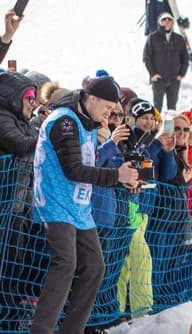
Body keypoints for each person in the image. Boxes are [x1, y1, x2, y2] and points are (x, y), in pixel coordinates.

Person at [31, 76, 141, 334]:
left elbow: (91, 166)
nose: (109, 113)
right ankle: (41, 330)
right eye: (107, 106)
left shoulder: (88, 123)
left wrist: (122, 181)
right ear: (91, 98)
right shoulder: (65, 121)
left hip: (79, 208)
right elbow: (74, 170)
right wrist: (116, 176)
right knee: (65, 263)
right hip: (55, 203)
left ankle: (72, 330)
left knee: (94, 266)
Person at [142, 14, 188, 111]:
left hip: (174, 80)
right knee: (157, 108)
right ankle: (156, 126)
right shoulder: (153, 37)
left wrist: (181, 74)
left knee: (172, 109)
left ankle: (169, 126)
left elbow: (185, 58)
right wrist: (153, 74)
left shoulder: (179, 39)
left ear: (173, 22)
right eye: (164, 19)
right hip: (158, 80)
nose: (167, 21)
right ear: (160, 22)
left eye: (169, 19)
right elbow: (147, 57)